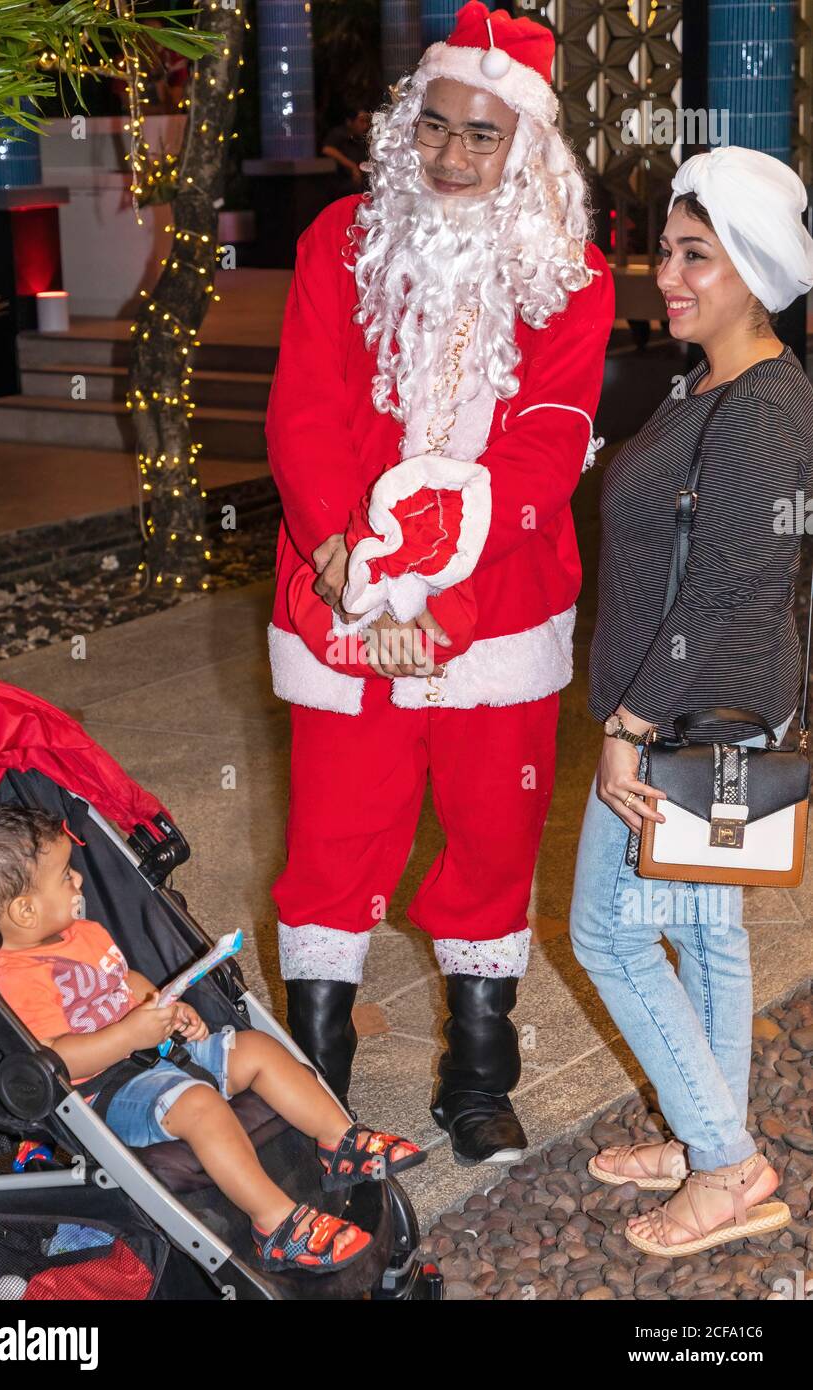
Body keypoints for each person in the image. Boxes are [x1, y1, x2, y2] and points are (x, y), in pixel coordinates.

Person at [265, 1, 615, 1165]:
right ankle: (316, 1098)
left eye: (482, 136)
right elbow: (304, 413)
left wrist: (442, 601)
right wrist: (348, 563)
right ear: (405, 124)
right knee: (332, 847)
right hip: (339, 596)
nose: (452, 158)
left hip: (495, 608)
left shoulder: (574, 275)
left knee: (490, 840)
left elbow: (546, 449)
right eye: (435, 127)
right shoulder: (337, 241)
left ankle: (477, 1078)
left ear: (525, 149)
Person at [569, 145, 813, 1255]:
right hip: (697, 712)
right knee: (703, 934)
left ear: (752, 270)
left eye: (692, 256)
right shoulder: (705, 382)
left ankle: (721, 1163)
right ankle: (702, 1126)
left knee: (609, 937)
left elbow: (723, 582)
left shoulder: (765, 409)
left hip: (687, 720)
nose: (664, 275)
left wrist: (625, 728)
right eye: (662, 250)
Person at [0, 805, 424, 1275]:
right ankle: (276, 1224)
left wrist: (166, 1007)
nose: (79, 881)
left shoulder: (81, 933)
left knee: (254, 1048)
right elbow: (58, 1059)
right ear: (25, 910)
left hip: (152, 1050)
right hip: (105, 1093)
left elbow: (124, 980)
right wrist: (127, 1034)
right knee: (199, 1102)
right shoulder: (15, 977)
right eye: (65, 876)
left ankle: (338, 1142)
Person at [321, 107, 371, 191]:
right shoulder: (339, 134)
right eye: (361, 121)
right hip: (340, 186)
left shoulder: (363, 138)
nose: (365, 126)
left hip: (360, 187)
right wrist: (352, 166)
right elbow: (327, 149)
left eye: (367, 122)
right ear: (349, 122)